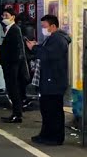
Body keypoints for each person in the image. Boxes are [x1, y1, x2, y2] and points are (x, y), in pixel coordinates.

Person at [28, 14, 72, 146]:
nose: (43, 29)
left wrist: (34, 48)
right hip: (49, 80)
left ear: (53, 26)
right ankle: (46, 134)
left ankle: (54, 137)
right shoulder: (52, 38)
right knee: (47, 110)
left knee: (53, 111)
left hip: (53, 81)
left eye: (44, 26)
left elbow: (48, 54)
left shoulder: (58, 39)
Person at [0, 5, 29, 124]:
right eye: (3, 15)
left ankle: (17, 114)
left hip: (13, 65)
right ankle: (16, 113)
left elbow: (16, 49)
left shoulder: (15, 29)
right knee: (12, 90)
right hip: (10, 65)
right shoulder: (9, 29)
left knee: (14, 89)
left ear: (13, 17)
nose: (4, 17)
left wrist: (10, 63)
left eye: (6, 15)